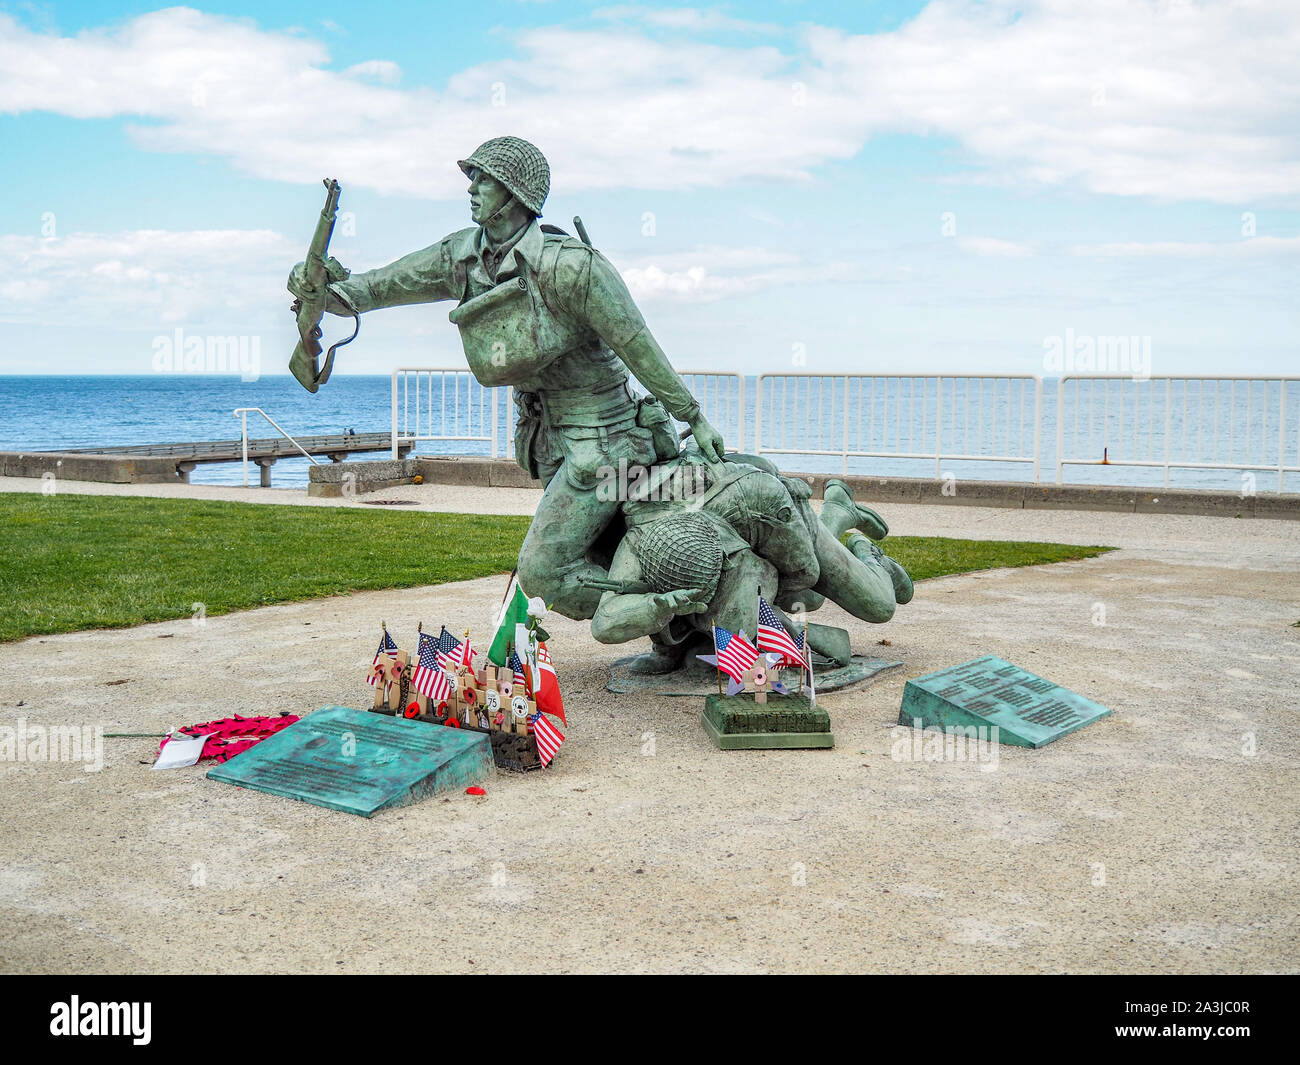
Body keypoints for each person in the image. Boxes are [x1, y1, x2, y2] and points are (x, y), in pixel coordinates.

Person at [288, 136, 726, 619]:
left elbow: (638, 344)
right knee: (602, 552)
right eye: (472, 178)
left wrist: (694, 417)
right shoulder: (460, 256)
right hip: (546, 442)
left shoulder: (573, 267)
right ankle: (682, 629)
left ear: (515, 194)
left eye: (485, 180)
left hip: (607, 441)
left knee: (544, 575)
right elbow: (369, 291)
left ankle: (688, 609)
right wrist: (319, 289)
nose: (472, 188)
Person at [590, 449, 912, 671]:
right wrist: (657, 606)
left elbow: (805, 572)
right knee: (744, 615)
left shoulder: (752, 495)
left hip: (780, 518)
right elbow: (605, 622)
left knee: (868, 605)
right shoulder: (639, 542)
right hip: (735, 541)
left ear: (727, 550)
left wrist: (782, 617)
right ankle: (840, 514)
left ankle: (853, 534)